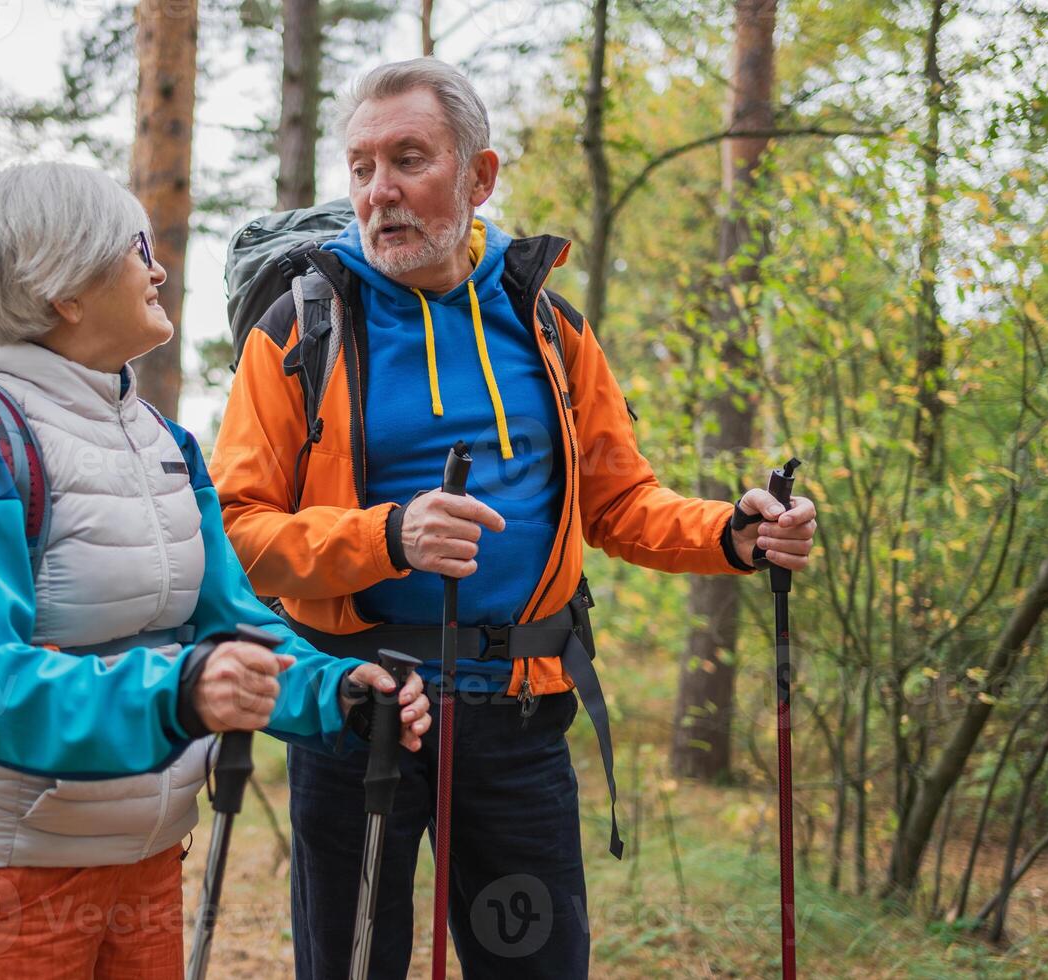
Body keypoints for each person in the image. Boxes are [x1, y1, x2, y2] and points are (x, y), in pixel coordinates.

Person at [209, 58, 818, 978]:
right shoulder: (300, 328)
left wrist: (730, 535)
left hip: (520, 715)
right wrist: (389, 536)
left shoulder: (547, 325)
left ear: (479, 176)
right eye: (362, 167)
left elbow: (619, 501)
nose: (380, 192)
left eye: (409, 159)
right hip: (358, 708)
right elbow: (237, 534)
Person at [0, 161, 431, 978]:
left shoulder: (162, 442)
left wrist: (336, 690)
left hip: (148, 859)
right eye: (137, 249)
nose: (158, 269)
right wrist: (179, 692)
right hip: (6, 875)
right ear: (64, 290)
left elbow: (231, 624)